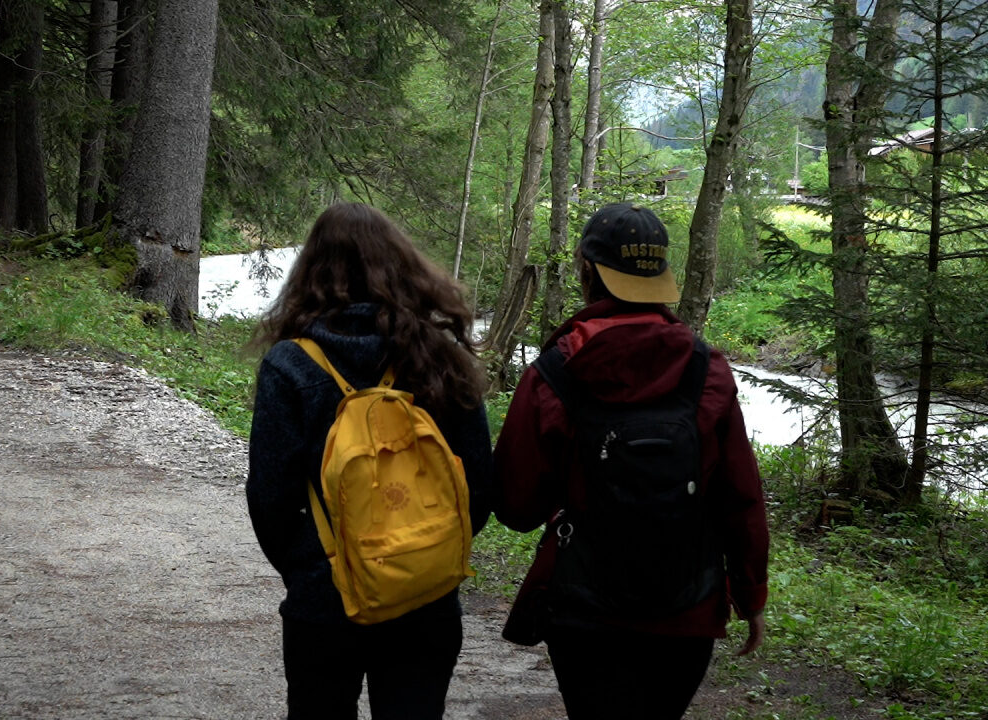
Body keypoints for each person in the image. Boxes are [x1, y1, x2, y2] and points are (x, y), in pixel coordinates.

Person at [493, 202, 769, 720]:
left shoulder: (555, 370)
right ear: (659, 274)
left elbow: (516, 506)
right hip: (689, 605)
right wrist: (751, 594)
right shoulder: (706, 368)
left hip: (584, 608)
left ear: (587, 271)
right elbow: (740, 494)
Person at [246, 202, 493, 720]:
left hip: (325, 597)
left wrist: (308, 566)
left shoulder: (290, 362)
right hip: (425, 596)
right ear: (402, 264)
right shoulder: (439, 355)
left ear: (311, 270)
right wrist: (428, 553)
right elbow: (476, 483)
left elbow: (270, 494)